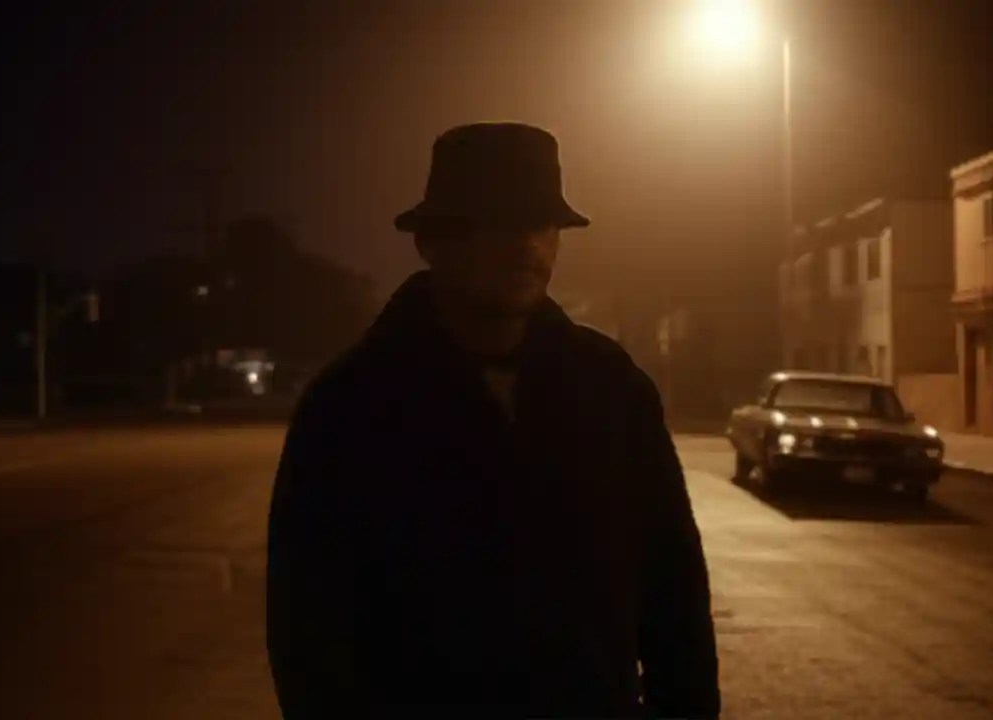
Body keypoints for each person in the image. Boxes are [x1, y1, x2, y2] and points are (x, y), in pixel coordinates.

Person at [266, 122, 720, 719]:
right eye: (499, 223)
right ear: (433, 242)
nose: (526, 245)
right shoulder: (351, 405)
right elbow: (309, 631)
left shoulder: (611, 387)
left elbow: (672, 587)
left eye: (541, 224)